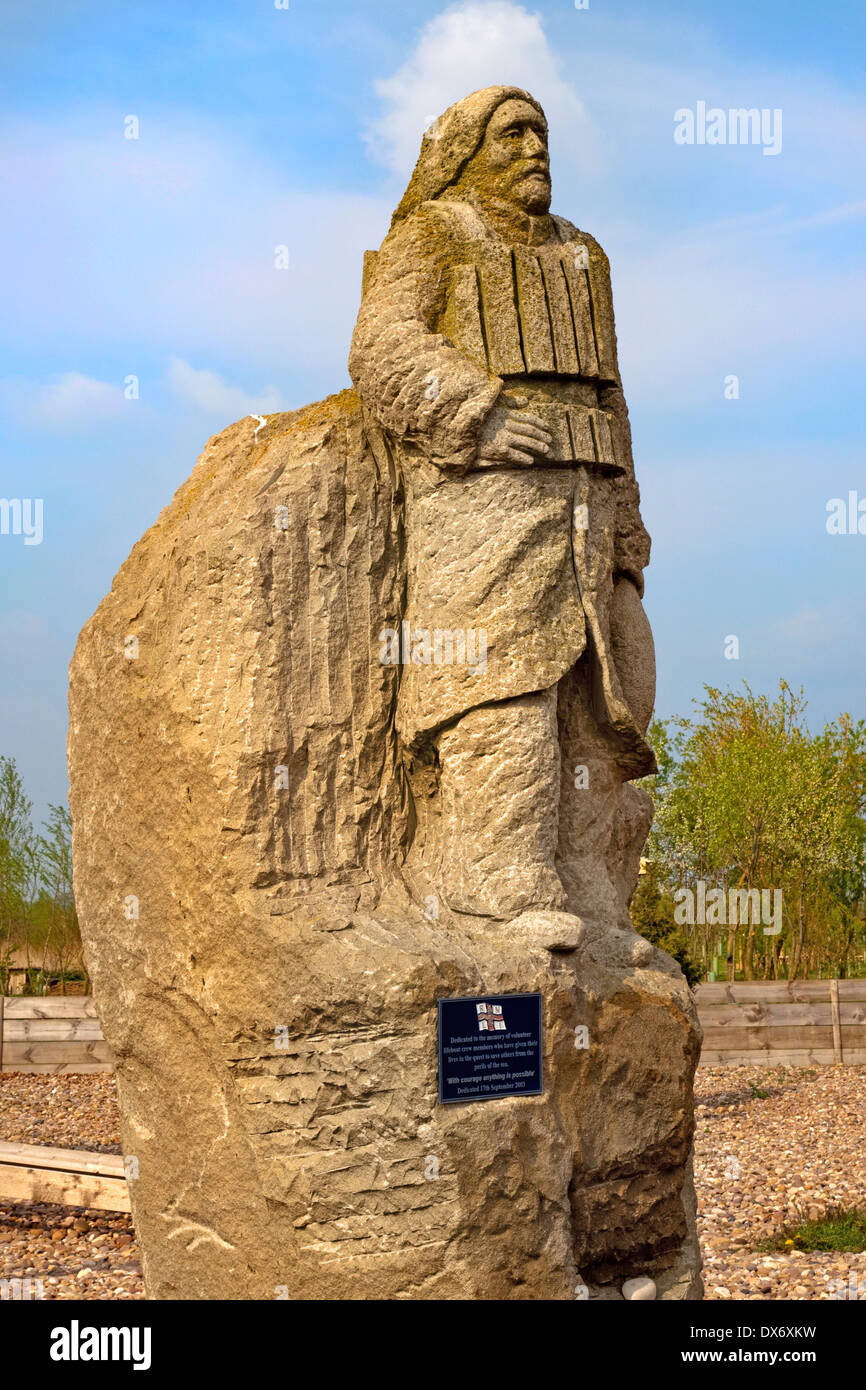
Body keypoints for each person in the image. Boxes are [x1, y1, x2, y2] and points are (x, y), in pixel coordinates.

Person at [349, 86, 656, 933]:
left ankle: (587, 878)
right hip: (485, 503)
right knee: (501, 683)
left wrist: (628, 527)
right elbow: (380, 344)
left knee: (605, 695)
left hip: (587, 506)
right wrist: (477, 411)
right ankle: (499, 872)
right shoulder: (436, 234)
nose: (535, 147)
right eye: (513, 132)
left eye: (542, 133)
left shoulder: (585, 255)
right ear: (466, 150)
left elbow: (613, 394)